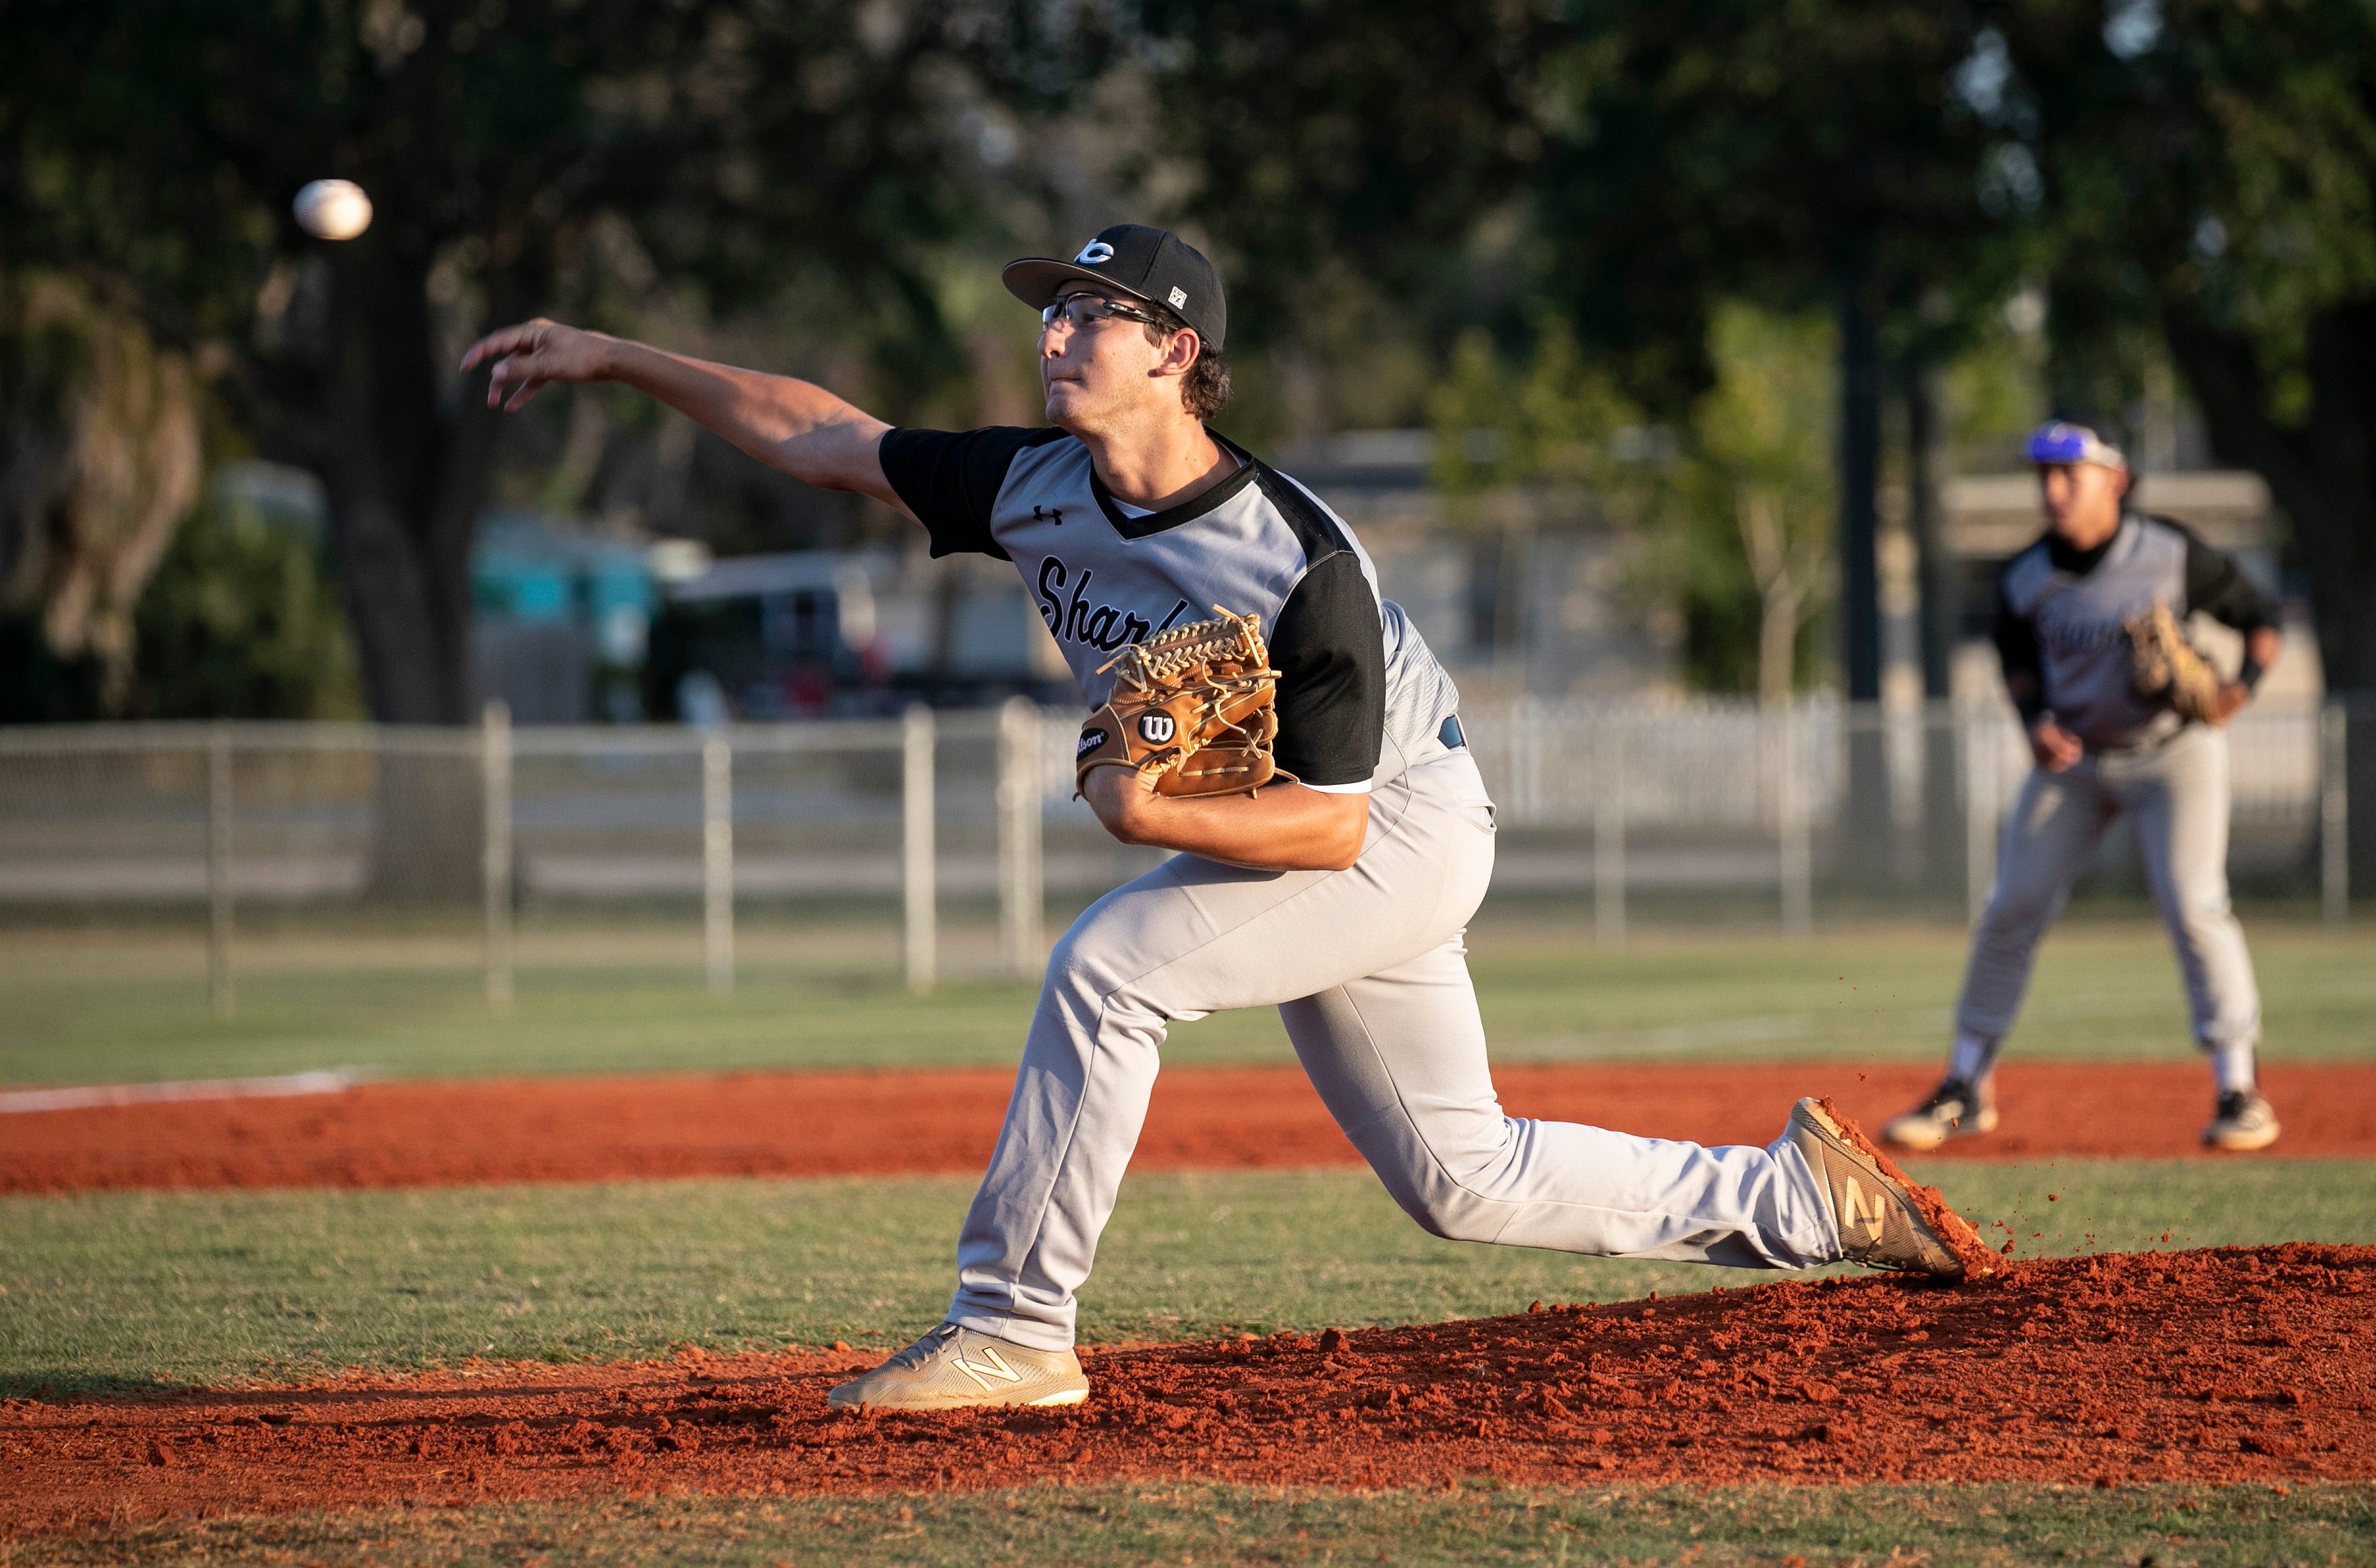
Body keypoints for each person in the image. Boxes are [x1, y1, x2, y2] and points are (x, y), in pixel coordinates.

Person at [462, 223, 1974, 1414]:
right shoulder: (1034, 479)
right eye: (1052, 307)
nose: (1056, 328)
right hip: (1302, 823)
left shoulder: (1292, 562)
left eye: (1091, 312)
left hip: (1395, 821)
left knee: (1114, 966)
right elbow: (824, 437)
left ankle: (1014, 1328)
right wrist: (610, 354)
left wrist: (1143, 809)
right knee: (1465, 1176)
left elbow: (1326, 828)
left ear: (1176, 350)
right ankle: (1799, 1195)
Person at [1884, 420, 2284, 1156]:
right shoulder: (2023, 576)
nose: (2053, 487)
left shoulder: (2167, 551)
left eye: (2071, 472)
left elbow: (2262, 618)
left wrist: (2239, 688)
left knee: (2194, 905)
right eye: (2043, 473)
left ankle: (2239, 1091)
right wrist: (2033, 720)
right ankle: (1965, 1085)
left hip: (2174, 755)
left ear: (2115, 480)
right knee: (2010, 906)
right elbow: (2015, 664)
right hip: (2075, 764)